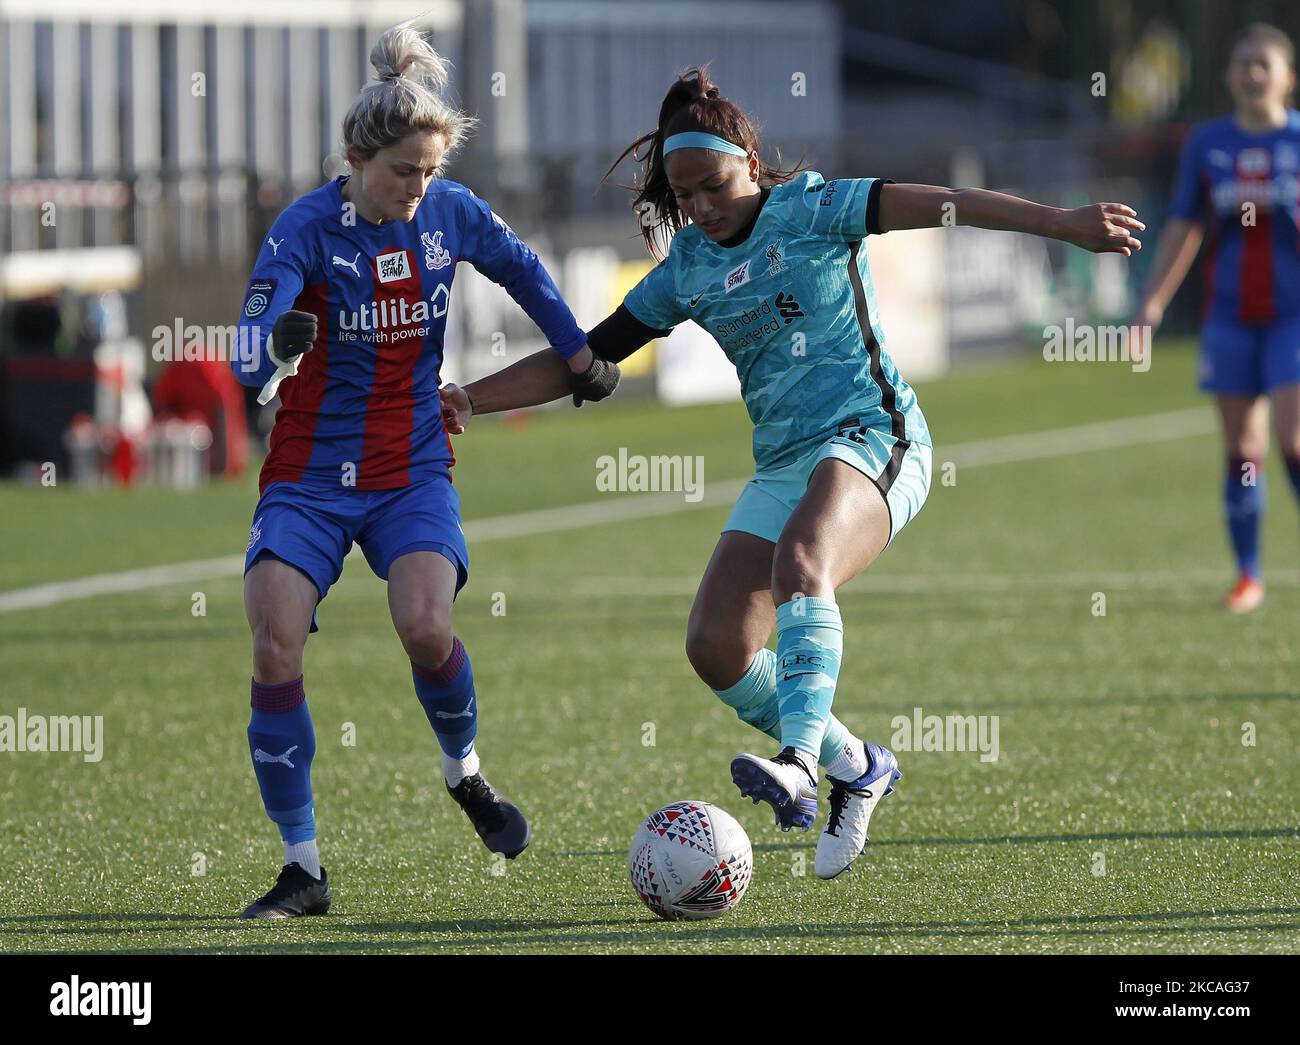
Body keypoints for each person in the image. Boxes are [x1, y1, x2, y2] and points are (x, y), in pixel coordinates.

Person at [440, 67, 1142, 880]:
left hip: (875, 434)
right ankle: (858, 767)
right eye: (683, 194)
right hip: (784, 464)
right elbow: (585, 361)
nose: (699, 206)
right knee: (715, 646)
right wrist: (468, 397)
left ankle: (801, 763)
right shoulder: (688, 269)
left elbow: (948, 204)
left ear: (747, 157)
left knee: (803, 561)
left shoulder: (815, 207)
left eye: (711, 184)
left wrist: (1064, 221)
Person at [228, 22, 618, 918]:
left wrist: (580, 353)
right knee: (273, 636)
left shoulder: (449, 213)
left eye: (430, 171)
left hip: (410, 464)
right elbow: (247, 346)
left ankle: (465, 772)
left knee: (424, 626)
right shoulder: (305, 227)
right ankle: (304, 868)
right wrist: (272, 351)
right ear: (359, 158)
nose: (419, 187)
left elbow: (521, 267)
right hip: (310, 473)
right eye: (405, 170)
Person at [1133, 22, 1300, 614]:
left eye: (1264, 63)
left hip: (1293, 318)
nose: (1252, 73)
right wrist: (1152, 299)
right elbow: (1185, 224)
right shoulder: (1207, 144)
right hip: (1230, 318)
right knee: (1242, 450)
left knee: (1292, 436)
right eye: (1242, 63)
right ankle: (1249, 573)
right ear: (1230, 76)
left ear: (1288, 77)